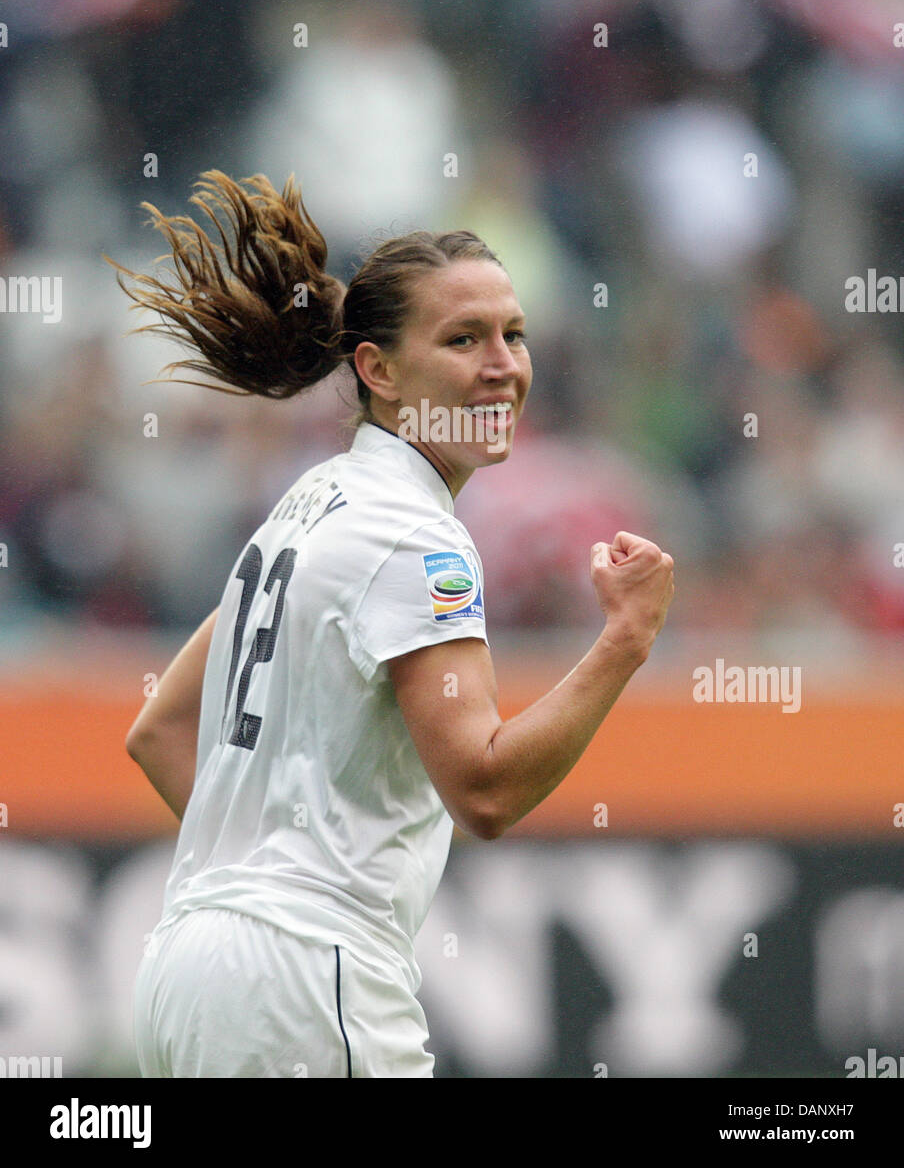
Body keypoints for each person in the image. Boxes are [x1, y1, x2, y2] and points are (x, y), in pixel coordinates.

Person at [109, 170, 675, 1079]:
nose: (503, 363)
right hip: (307, 978)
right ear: (378, 368)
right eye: (464, 338)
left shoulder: (310, 505)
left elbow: (160, 730)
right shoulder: (414, 539)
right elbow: (484, 791)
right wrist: (624, 643)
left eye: (514, 335)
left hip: (189, 971)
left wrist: (259, 880)